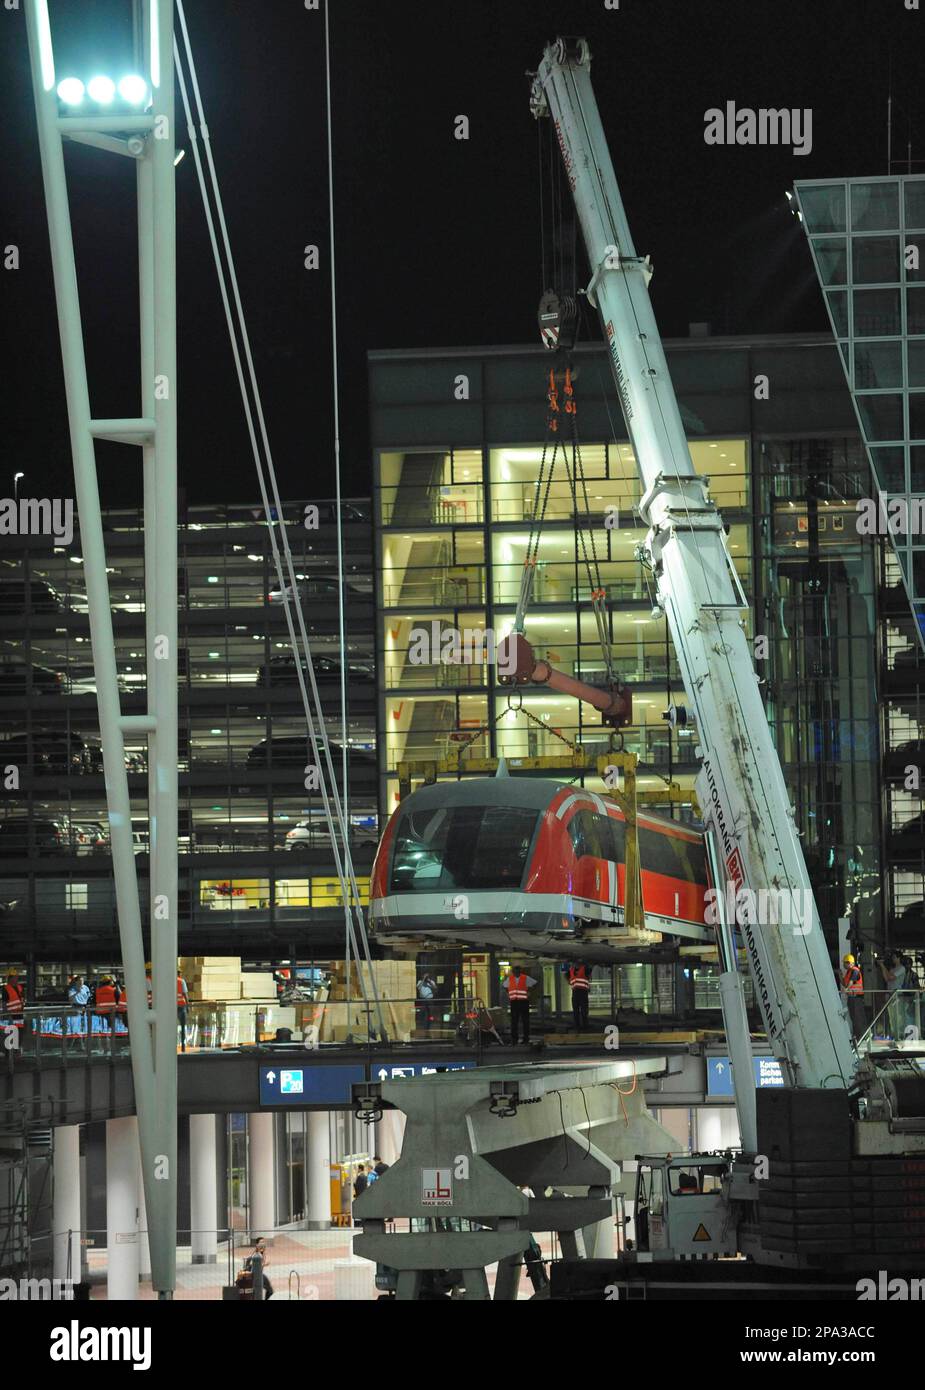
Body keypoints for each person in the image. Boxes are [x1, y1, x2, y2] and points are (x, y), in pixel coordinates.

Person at [505, 965, 537, 1045]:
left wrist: (529, 991)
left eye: (518, 971)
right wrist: (508, 993)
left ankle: (525, 1039)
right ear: (513, 972)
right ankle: (514, 1039)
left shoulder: (525, 978)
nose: (516, 973)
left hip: (523, 1001)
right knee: (514, 1022)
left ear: (520, 971)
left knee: (525, 1021)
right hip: (514, 1002)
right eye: (515, 972)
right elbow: (505, 986)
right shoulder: (510, 979)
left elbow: (535, 984)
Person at [879, 953, 907, 1040]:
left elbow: (891, 977)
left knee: (898, 1016)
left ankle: (900, 1035)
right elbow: (886, 978)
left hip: (897, 994)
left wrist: (883, 966)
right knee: (892, 1017)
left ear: (899, 958)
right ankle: (895, 1035)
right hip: (890, 994)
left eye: (894, 957)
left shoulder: (902, 968)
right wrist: (881, 965)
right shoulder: (893, 969)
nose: (893, 959)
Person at [840, 953, 866, 1039]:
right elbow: (845, 983)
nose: (843, 964)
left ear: (849, 963)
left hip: (856, 998)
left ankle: (860, 1037)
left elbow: (851, 982)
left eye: (844, 963)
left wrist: (847, 989)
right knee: (854, 1018)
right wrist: (840, 975)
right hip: (851, 998)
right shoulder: (849, 971)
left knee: (857, 1018)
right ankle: (856, 1036)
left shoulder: (855, 970)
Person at [567, 962, 592, 1032]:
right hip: (577, 993)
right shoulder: (571, 970)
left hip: (582, 993)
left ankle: (584, 1026)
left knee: (583, 1011)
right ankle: (578, 1026)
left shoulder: (584, 969)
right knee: (576, 1012)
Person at [176, 969, 189, 1052]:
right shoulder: (181, 981)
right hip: (181, 1006)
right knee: (183, 1026)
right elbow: (185, 994)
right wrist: (188, 1006)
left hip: (172, 1007)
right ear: (179, 974)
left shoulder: (168, 981)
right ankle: (183, 1047)